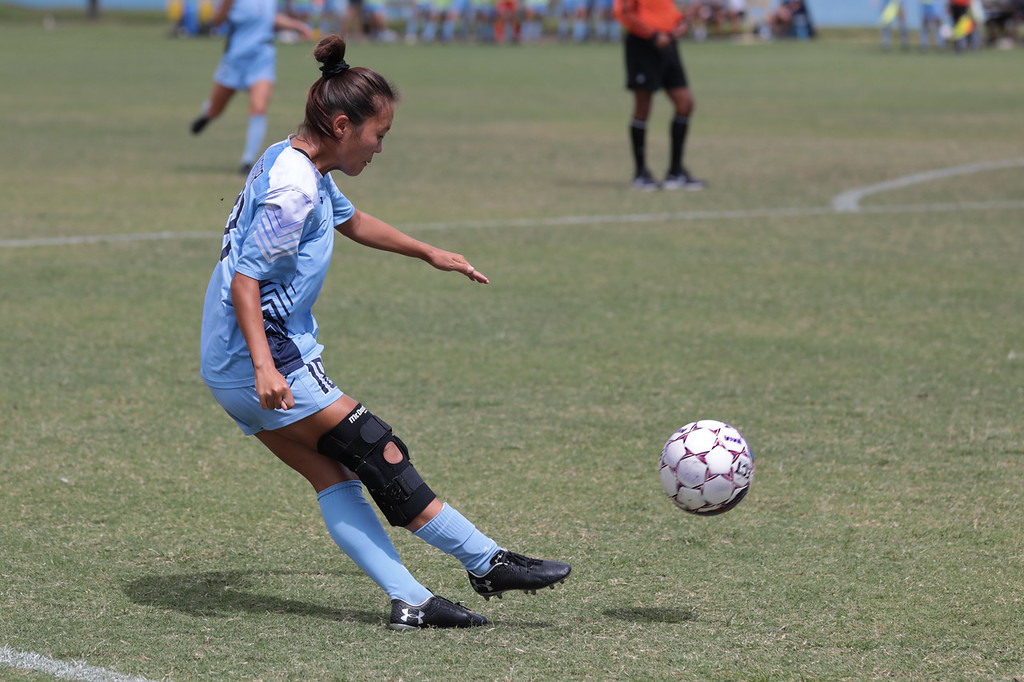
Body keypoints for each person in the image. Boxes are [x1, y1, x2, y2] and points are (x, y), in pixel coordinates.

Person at [199, 34, 572, 631]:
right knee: (377, 449)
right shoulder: (293, 189)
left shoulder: (295, 160)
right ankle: (487, 562)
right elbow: (246, 279)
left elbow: (351, 220)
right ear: (343, 125)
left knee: (336, 473)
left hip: (230, 358)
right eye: (380, 134)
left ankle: (412, 601)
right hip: (261, 358)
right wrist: (267, 368)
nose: (381, 147)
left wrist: (428, 252)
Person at [189, 0, 314, 175]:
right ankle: (207, 114)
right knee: (216, 109)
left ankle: (247, 162)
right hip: (235, 59)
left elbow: (269, 17)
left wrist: (297, 25)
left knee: (258, 107)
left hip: (262, 57)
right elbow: (216, 22)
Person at [614, 0, 706, 191]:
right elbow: (624, 13)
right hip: (643, 45)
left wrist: (682, 22)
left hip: (668, 44)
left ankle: (676, 171)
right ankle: (640, 173)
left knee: (685, 103)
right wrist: (652, 35)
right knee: (643, 106)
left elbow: (666, 10)